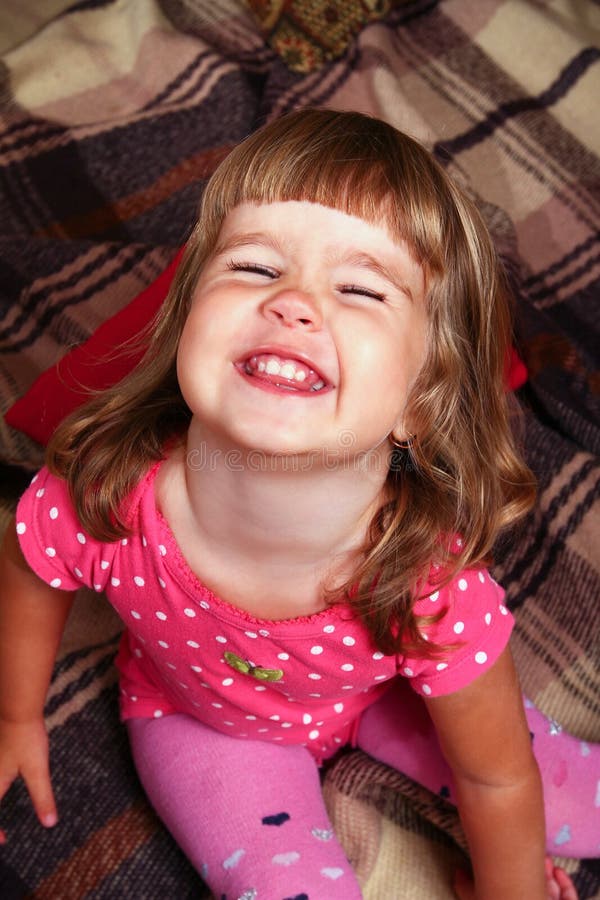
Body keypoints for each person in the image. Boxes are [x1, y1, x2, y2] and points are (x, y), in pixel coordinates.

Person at [0, 109, 594, 900]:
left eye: (357, 287)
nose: (293, 302)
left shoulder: (431, 585)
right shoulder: (104, 489)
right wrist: (16, 715)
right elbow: (28, 561)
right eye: (252, 268)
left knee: (577, 802)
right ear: (184, 328)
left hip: (384, 701)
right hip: (203, 725)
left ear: (422, 401)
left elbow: (498, 781)